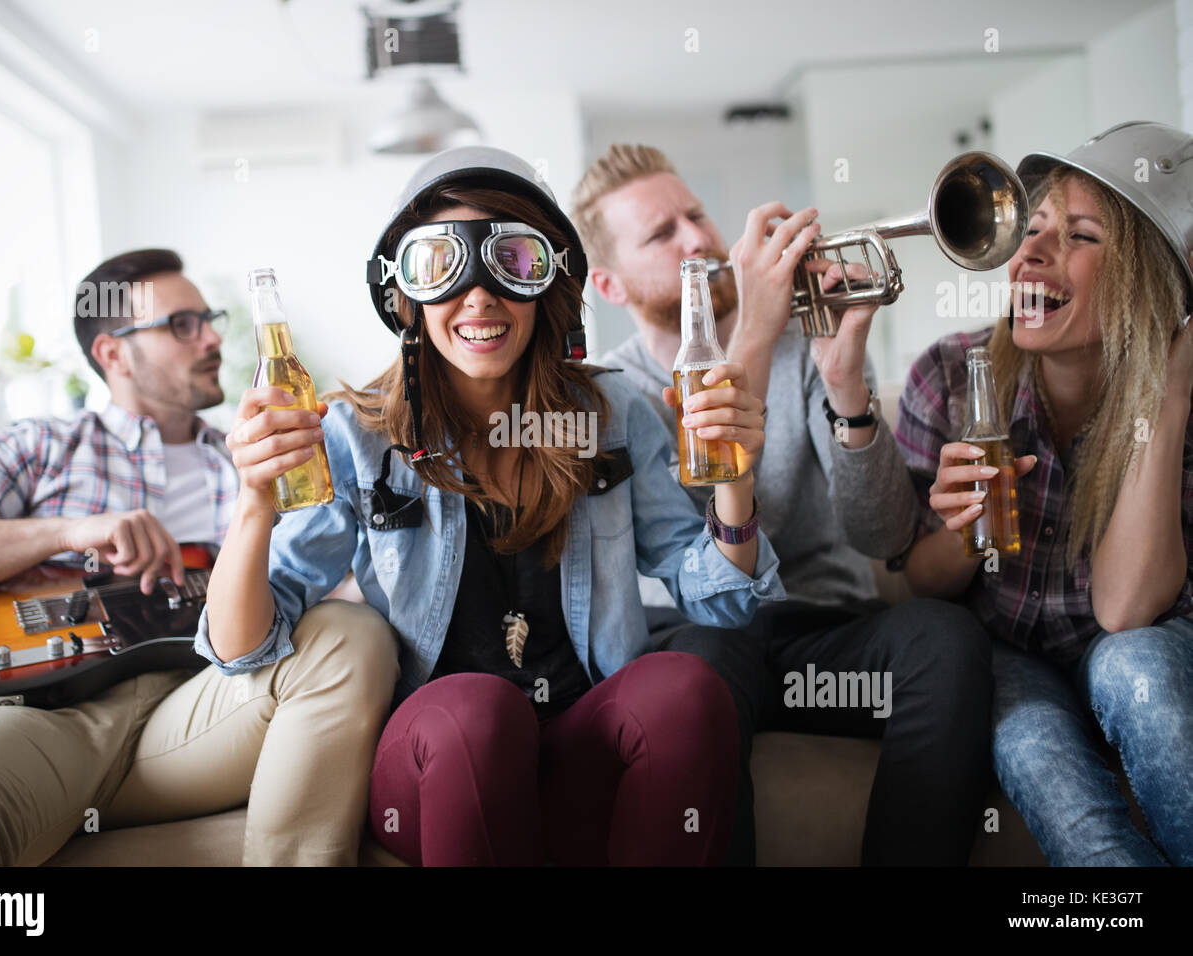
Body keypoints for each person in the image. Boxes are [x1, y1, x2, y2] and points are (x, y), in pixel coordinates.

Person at [201, 145, 785, 866]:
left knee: (686, 687)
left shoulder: (611, 414)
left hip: (577, 750)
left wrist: (736, 476)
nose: (478, 296)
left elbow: (721, 602)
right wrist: (254, 504)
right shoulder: (358, 437)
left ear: (552, 285)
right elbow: (244, 648)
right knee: (481, 710)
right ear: (403, 294)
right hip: (439, 761)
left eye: (512, 261)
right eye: (440, 265)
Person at [0, 248, 399, 866]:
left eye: (208, 319)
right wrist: (70, 531)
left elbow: (305, 589)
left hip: (202, 710)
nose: (213, 337)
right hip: (44, 713)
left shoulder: (262, 456)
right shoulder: (41, 445)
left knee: (350, 631)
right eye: (182, 325)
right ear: (112, 353)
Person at [571, 143, 994, 865]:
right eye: (661, 234)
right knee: (703, 661)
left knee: (946, 640)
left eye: (696, 215)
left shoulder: (807, 347)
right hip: (701, 637)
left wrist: (845, 383)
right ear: (609, 285)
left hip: (822, 634)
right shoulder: (611, 393)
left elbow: (884, 534)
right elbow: (708, 549)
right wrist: (757, 337)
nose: (699, 240)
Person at [893, 121, 1193, 866]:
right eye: (1031, 229)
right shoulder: (948, 377)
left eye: (1081, 236)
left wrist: (1170, 398)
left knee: (1136, 670)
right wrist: (964, 532)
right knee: (1030, 743)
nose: (1028, 253)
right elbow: (915, 588)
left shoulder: (1181, 404)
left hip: (1144, 649)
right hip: (1012, 651)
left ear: (1150, 277)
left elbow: (1126, 614)